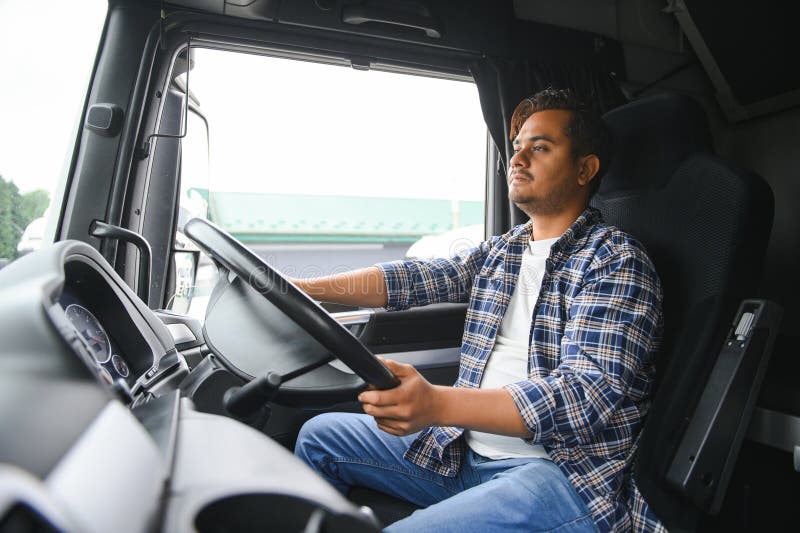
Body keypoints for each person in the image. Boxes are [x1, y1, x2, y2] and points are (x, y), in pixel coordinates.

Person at [293, 88, 665, 532]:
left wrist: (437, 403)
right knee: (318, 438)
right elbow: (413, 279)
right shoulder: (506, 249)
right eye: (518, 147)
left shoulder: (615, 260)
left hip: (559, 476)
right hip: (463, 452)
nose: (519, 159)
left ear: (585, 168)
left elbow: (582, 397)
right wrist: (301, 289)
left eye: (540, 147)